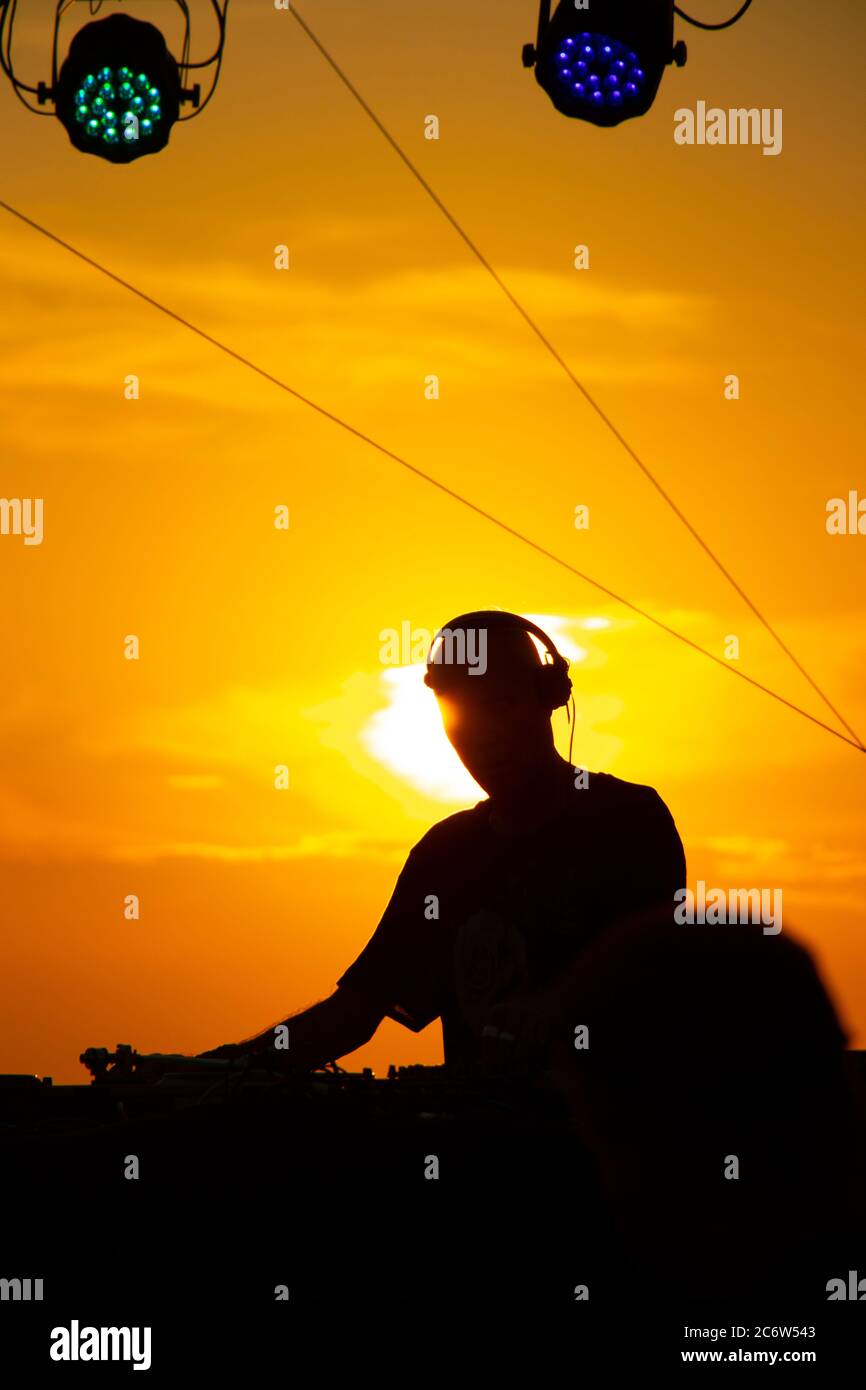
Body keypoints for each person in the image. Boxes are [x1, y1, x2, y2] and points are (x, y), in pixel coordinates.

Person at [199, 609, 686, 1072]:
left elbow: (657, 978)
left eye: (499, 706)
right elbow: (355, 1011)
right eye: (462, 715)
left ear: (548, 697)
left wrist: (556, 1011)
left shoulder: (628, 820)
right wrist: (220, 1069)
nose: (484, 736)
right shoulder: (445, 855)